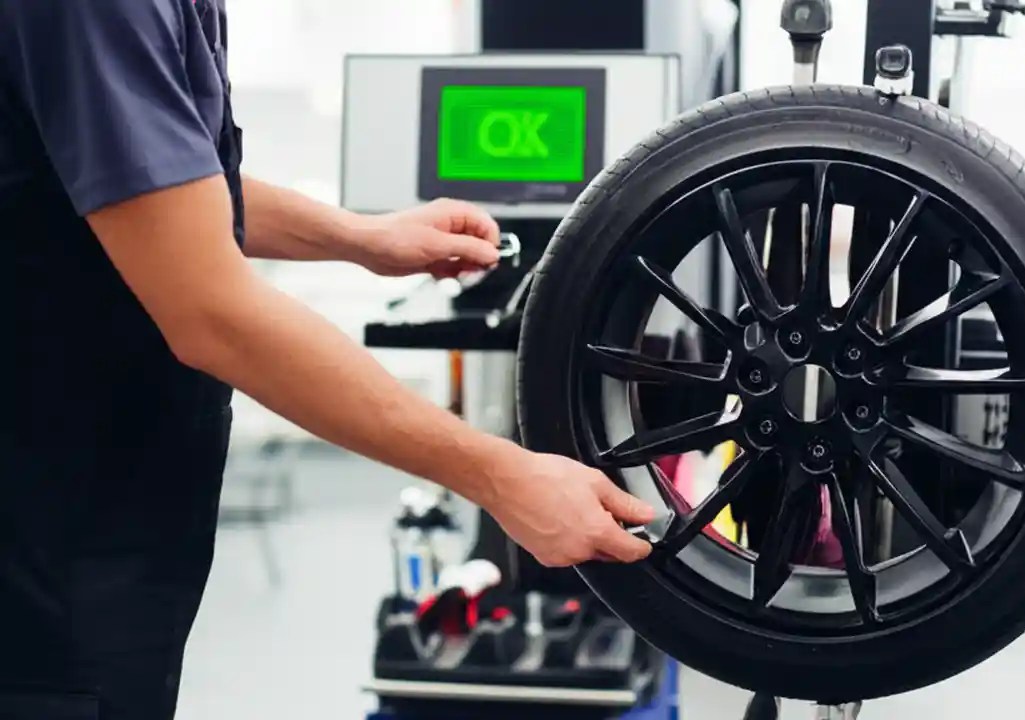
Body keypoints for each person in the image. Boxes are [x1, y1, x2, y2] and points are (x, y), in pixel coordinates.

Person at [0, 1, 654, 718]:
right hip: (46, 535)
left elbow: (164, 183)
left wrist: (361, 238)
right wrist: (499, 476)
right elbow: (211, 314)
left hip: (115, 509)